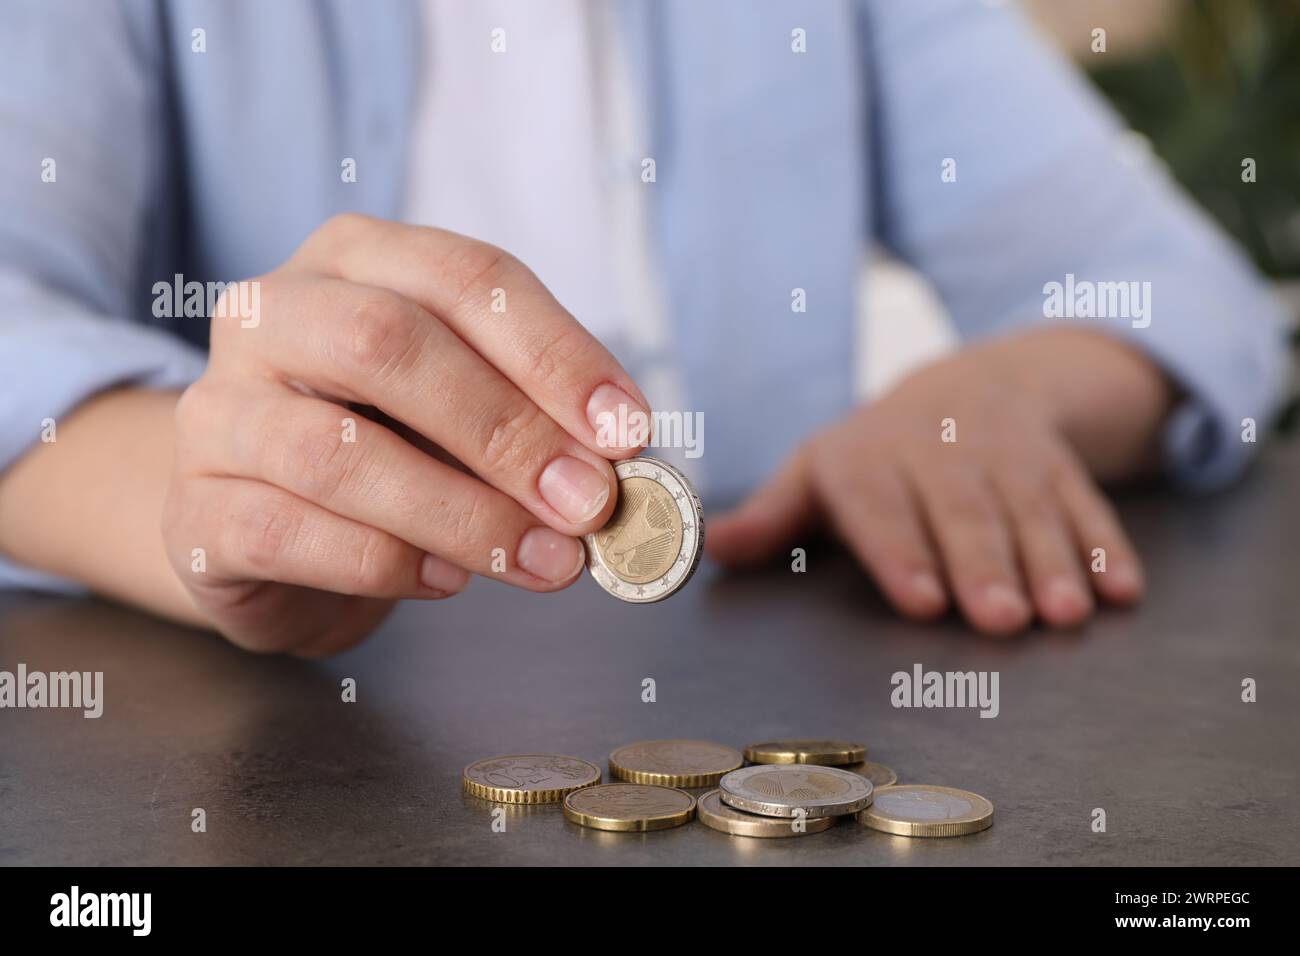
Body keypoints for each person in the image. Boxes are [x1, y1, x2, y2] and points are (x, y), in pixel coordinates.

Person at [0, 0, 1287, 655]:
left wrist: (1003, 393)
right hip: (293, 718)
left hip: (765, 677)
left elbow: (1162, 279)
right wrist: (198, 502)